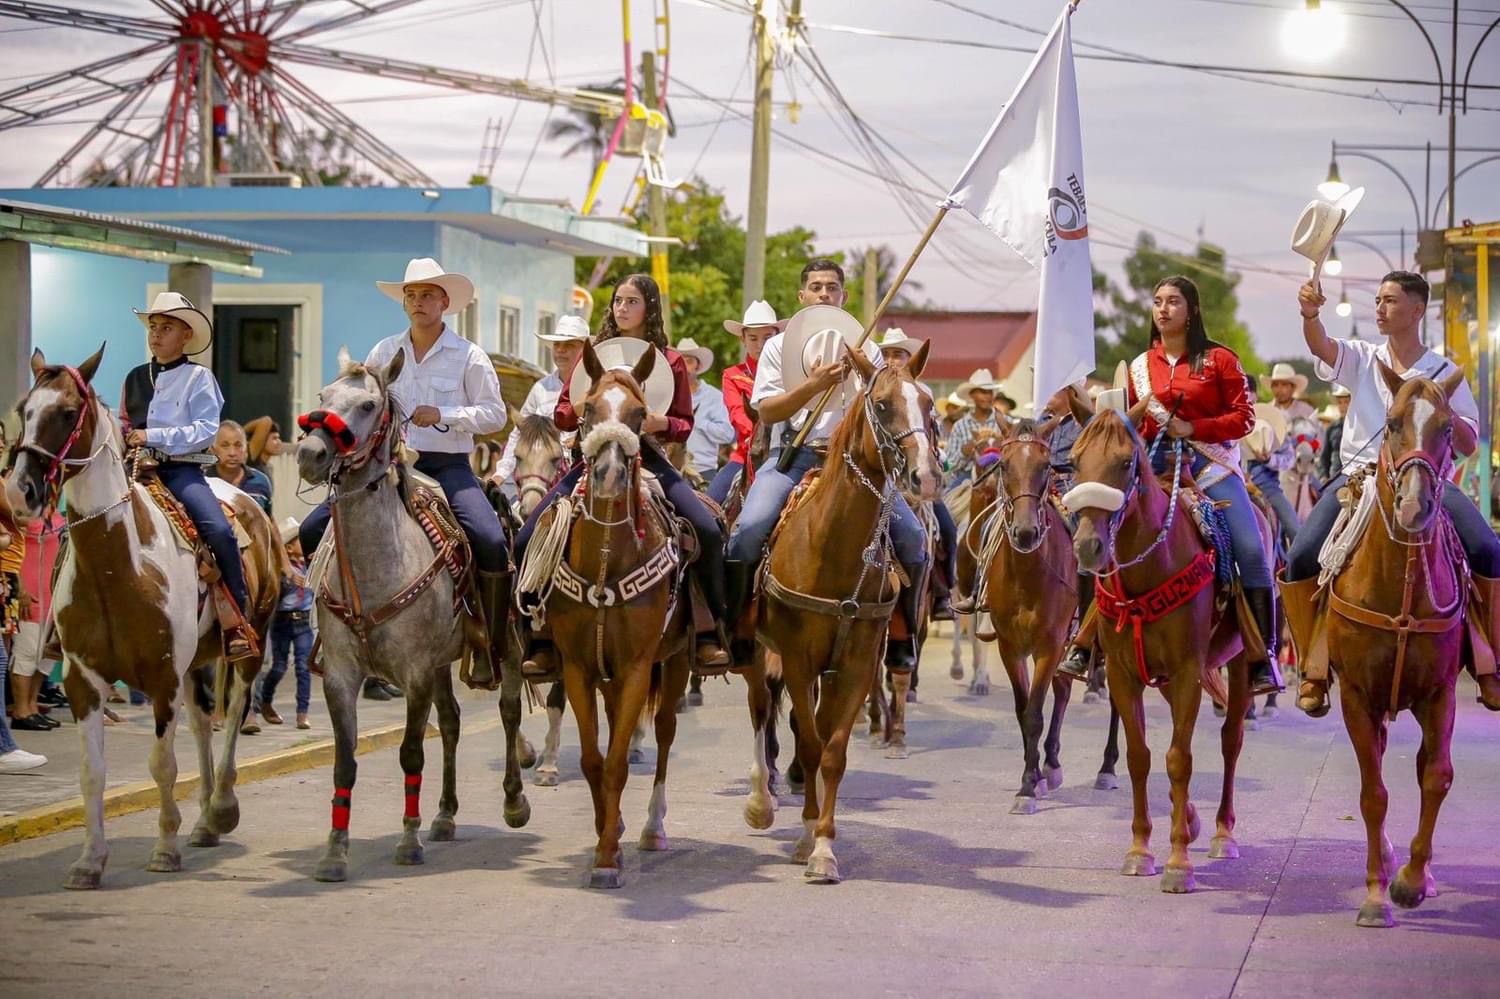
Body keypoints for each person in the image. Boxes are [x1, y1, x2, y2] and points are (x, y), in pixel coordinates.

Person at [1284, 272, 1500, 714]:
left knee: (1488, 548)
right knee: (1300, 556)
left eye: (1390, 301)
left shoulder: (1444, 372)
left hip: (1429, 483)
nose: (1380, 308)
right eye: (1378, 300)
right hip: (1358, 480)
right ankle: (1313, 667)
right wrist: (1310, 313)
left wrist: (1442, 414)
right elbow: (1320, 345)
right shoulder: (1363, 357)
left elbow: (1465, 441)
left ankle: (1489, 663)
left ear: (1417, 310)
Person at [298, 258, 511, 689]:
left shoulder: (469, 356)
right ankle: (334, 630)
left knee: (489, 539)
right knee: (310, 530)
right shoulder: (383, 352)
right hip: (387, 465)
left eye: (428, 294)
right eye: (411, 295)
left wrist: (446, 414)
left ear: (445, 303)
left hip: (446, 466)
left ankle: (487, 638)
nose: (418, 302)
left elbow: (495, 415)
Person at [514, 273, 731, 671]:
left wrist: (656, 424)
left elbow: (685, 423)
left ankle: (707, 630)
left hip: (649, 459)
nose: (622, 308)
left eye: (632, 301)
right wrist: (581, 408)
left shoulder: (670, 361)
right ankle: (538, 635)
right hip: (591, 458)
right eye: (617, 301)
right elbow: (562, 416)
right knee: (529, 534)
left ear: (650, 307)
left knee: (707, 529)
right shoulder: (590, 354)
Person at [723, 259, 930, 670]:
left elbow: (883, 409)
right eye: (815, 287)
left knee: (913, 536)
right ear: (801, 296)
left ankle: (904, 636)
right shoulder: (779, 348)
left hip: (855, 465)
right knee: (747, 529)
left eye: (831, 287)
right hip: (794, 459)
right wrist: (814, 385)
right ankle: (740, 627)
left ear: (843, 296)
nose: (823, 294)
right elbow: (767, 411)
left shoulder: (867, 347)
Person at [1122, 275, 1281, 695]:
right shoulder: (1140, 367)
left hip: (1211, 468)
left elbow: (1243, 419)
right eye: (1157, 301)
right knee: (1104, 531)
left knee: (1250, 548)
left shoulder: (1221, 360)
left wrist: (1194, 426)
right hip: (1155, 471)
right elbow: (1131, 420)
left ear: (1191, 310)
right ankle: (1087, 643)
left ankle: (1264, 655)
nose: (1163, 309)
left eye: (1173, 301)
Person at [121, 292, 257, 660]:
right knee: (85, 522)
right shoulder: (134, 377)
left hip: (181, 471)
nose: (157, 334)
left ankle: (237, 621)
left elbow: (204, 431)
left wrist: (153, 437)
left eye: (166, 328)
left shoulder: (200, 378)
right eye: (154, 327)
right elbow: (123, 423)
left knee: (218, 530)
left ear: (185, 336)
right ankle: (64, 622)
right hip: (132, 468)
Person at [876, 327, 956, 621]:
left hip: (915, 477)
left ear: (910, 359)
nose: (891, 360)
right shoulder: (874, 390)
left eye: (898, 354)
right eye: (886, 354)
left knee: (946, 528)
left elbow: (930, 436)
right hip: (884, 478)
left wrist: (938, 459)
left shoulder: (923, 393)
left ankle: (943, 592)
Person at [492, 314, 589, 488]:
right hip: (542, 476)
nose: (560, 350)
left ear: (585, 350)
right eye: (557, 345)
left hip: (584, 475)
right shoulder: (541, 388)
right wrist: (502, 472)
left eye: (569, 345)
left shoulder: (595, 388)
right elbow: (519, 433)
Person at [708, 300, 785, 505]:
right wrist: (760, 435)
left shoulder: (789, 371)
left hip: (787, 455)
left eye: (767, 337)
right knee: (708, 507)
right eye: (753, 338)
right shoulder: (732, 375)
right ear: (743, 339)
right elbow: (737, 414)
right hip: (745, 457)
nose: (760, 345)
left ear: (777, 337)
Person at [947, 368, 1010, 614]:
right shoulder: (962, 426)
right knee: (947, 518)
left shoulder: (1005, 422)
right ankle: (947, 575)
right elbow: (949, 465)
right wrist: (965, 451)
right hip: (967, 479)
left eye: (990, 392)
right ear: (973, 395)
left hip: (1001, 478)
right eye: (982, 392)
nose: (987, 396)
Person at [7, 508, 62, 731]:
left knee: (46, 655)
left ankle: (32, 706)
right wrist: (19, 586)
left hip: (52, 591)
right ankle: (21, 710)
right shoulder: (20, 510)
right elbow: (11, 547)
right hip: (30, 589)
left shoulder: (53, 509)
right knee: (27, 652)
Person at [257, 518, 314, 730]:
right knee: (279, 667)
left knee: (303, 666)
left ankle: (302, 713)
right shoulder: (282, 571)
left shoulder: (310, 564)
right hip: (283, 621)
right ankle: (265, 699)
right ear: (288, 548)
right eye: (299, 541)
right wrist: (285, 579)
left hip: (304, 621)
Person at [676, 337, 736, 482]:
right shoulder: (669, 395)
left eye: (689, 361)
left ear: (697, 366)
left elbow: (727, 434)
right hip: (673, 470)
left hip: (703, 472)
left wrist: (697, 421)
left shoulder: (714, 397)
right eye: (680, 362)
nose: (684, 367)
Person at [210, 420, 273, 515]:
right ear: (213, 450)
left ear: (245, 450)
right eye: (225, 445)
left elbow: (268, 520)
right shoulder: (203, 481)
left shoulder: (261, 481)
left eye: (238, 445)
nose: (232, 453)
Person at [1319, 384, 1350, 481]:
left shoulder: (1361, 428)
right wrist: (1324, 475)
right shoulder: (1332, 428)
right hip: (1334, 478)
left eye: (1346, 402)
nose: (1342, 406)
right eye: (1340, 402)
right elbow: (1324, 456)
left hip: (1354, 478)